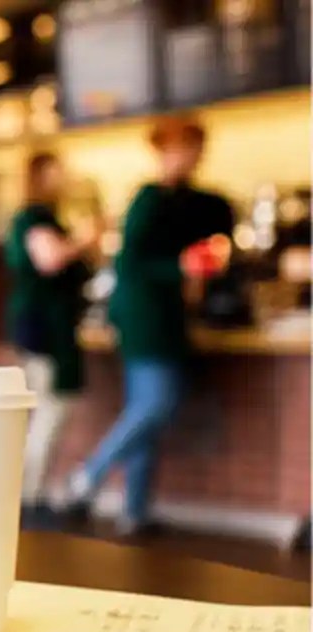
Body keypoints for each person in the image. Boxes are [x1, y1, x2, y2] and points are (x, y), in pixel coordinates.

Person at [57, 116, 234, 536]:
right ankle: (85, 478)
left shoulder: (187, 200)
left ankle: (134, 510)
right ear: (168, 151)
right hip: (143, 317)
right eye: (188, 148)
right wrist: (182, 266)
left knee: (147, 408)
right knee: (156, 404)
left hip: (166, 315)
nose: (194, 157)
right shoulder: (148, 200)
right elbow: (130, 263)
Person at [4, 153, 97, 512]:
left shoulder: (38, 219)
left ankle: (31, 493)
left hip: (40, 326)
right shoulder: (34, 218)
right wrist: (86, 239)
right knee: (49, 411)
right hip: (44, 329)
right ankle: (30, 496)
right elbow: (51, 259)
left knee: (45, 411)